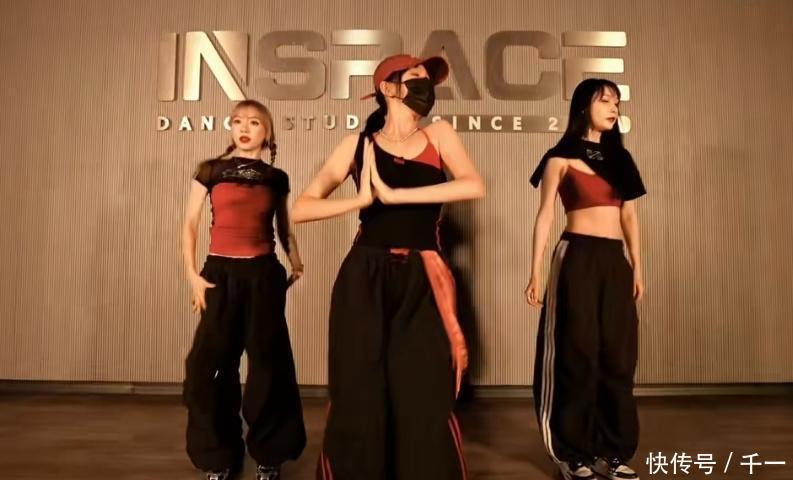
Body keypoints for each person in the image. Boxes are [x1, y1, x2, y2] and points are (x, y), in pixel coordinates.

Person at [292, 54, 485, 480]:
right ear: (388, 87)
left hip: (424, 273)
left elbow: (474, 185)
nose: (424, 87)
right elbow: (300, 209)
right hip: (365, 274)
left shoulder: (439, 135)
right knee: (358, 389)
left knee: (425, 389)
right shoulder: (358, 145)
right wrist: (360, 201)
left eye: (427, 80)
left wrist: (396, 196)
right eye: (415, 77)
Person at [525, 78, 646, 480]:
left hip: (614, 261)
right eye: (605, 100)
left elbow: (629, 215)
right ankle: (572, 453)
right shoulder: (560, 157)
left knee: (618, 357)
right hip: (576, 255)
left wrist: (637, 266)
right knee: (577, 353)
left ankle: (613, 451)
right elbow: (545, 215)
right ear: (583, 107)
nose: (614, 107)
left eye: (617, 102)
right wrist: (536, 272)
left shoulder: (621, 159)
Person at [181, 100, 306, 480]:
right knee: (209, 367)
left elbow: (284, 227)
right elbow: (190, 223)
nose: (245, 128)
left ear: (267, 132)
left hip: (263, 275)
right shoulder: (210, 170)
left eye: (254, 122)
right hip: (219, 274)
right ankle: (219, 456)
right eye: (238, 121)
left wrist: (296, 262)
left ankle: (269, 455)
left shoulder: (276, 177)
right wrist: (192, 275)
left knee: (268, 366)